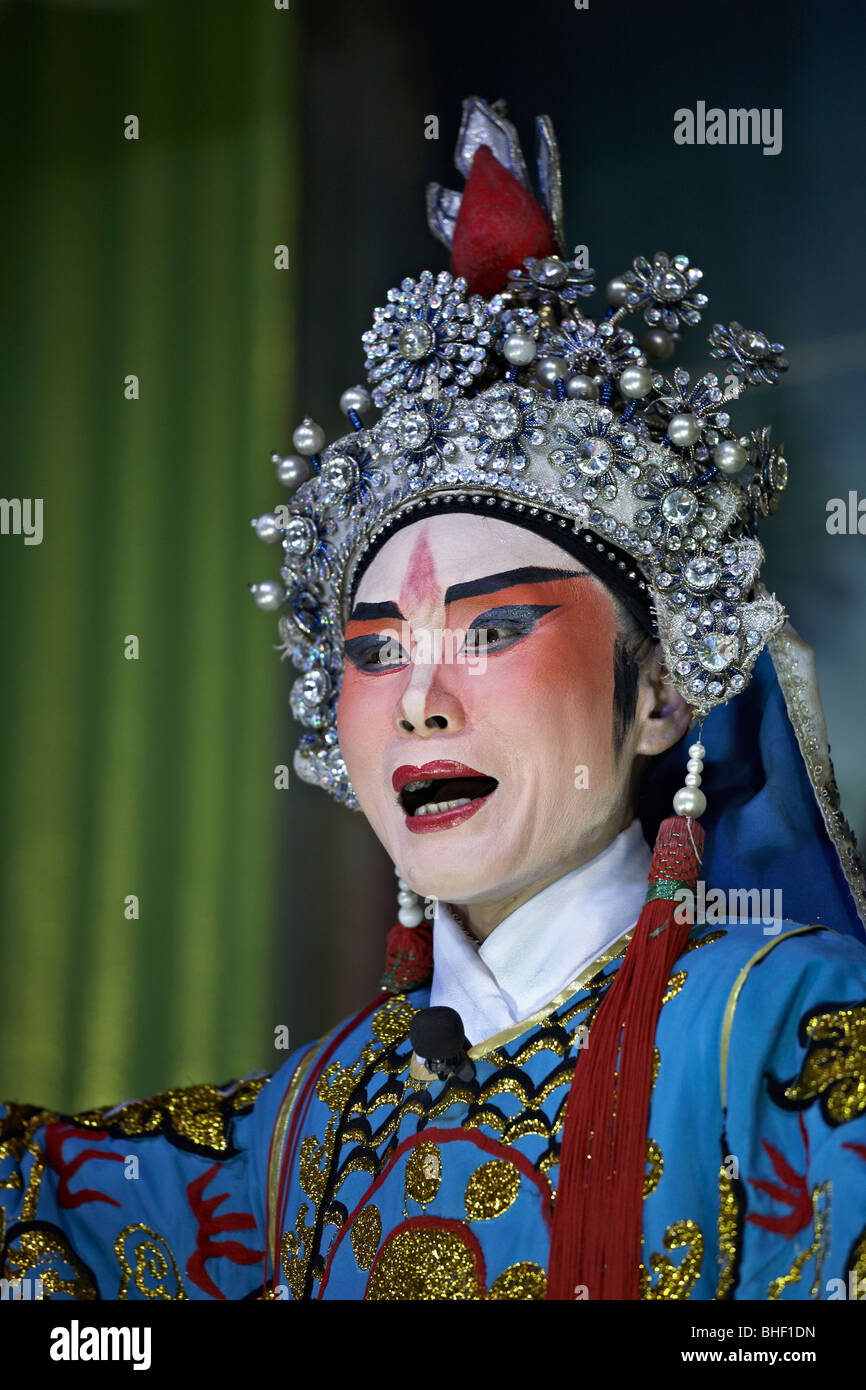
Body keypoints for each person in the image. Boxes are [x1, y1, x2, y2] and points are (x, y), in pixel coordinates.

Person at [2, 96, 865, 1302]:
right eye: (370, 650)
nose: (415, 703)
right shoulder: (291, 1135)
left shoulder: (788, 1041)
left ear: (663, 691)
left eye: (495, 627)